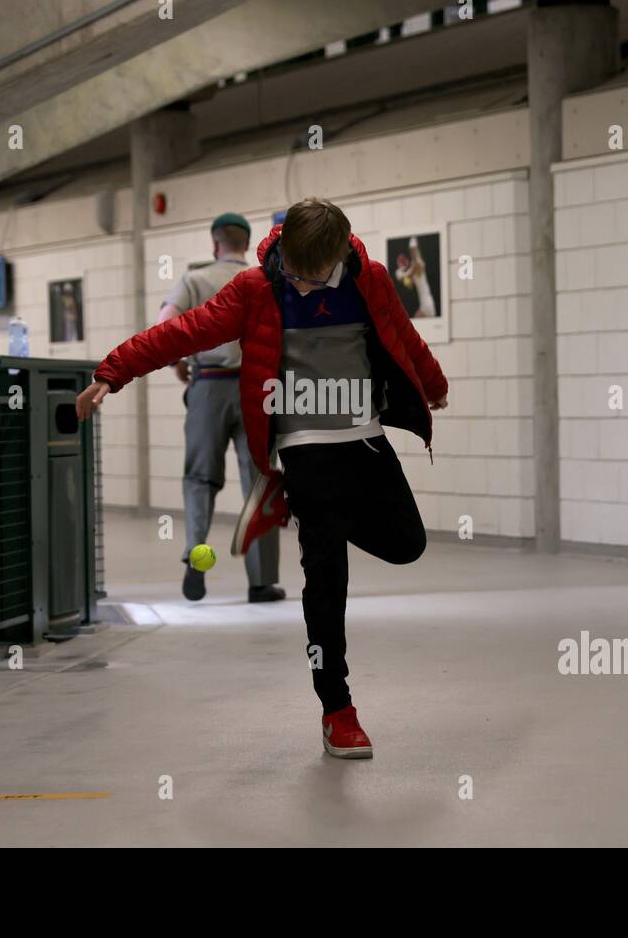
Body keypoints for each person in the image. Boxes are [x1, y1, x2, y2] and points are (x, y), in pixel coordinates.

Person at [77, 198, 449, 760]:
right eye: (294, 272)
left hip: (364, 435)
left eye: (312, 275)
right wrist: (113, 372)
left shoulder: (368, 279)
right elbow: (183, 332)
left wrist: (432, 384)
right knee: (327, 583)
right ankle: (338, 711)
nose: (301, 282)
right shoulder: (256, 289)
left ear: (340, 254)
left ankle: (285, 506)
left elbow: (403, 335)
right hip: (303, 444)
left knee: (407, 543)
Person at [159, 212, 284, 603]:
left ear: (215, 243)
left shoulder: (194, 280)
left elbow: (166, 323)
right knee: (259, 482)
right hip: (255, 391)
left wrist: (178, 361)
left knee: (199, 479)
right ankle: (261, 582)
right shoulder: (265, 281)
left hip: (208, 387)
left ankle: (195, 559)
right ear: (246, 244)